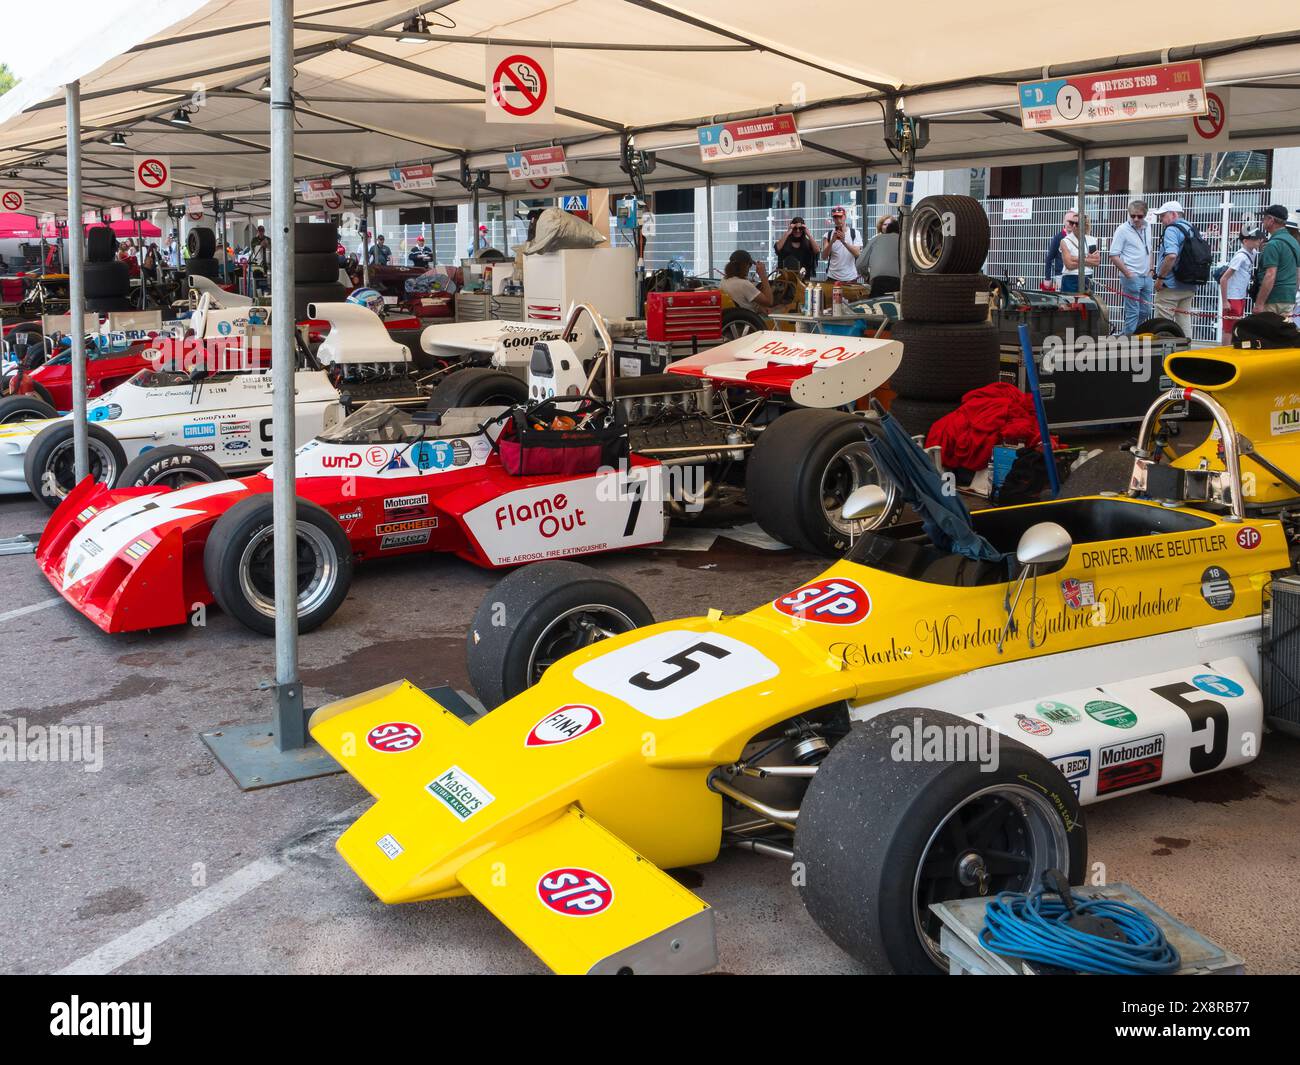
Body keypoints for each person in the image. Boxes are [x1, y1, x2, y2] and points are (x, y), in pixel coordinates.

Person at [1153, 200, 1197, 335]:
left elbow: (1171, 255)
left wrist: (1160, 278)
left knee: (1162, 323)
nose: (1161, 220)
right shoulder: (1192, 228)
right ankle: (1185, 352)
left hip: (1171, 285)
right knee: (1184, 320)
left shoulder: (1172, 229)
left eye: (1162, 216)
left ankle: (1162, 354)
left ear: (1173, 215)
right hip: (1190, 284)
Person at [1109, 200, 1154, 333]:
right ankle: (1128, 341)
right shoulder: (1122, 229)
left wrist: (1151, 269)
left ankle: (1128, 334)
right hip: (1131, 276)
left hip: (1146, 276)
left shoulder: (1148, 227)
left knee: (1146, 311)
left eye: (1139, 216)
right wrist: (1127, 273)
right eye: (1132, 215)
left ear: (1144, 215)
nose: (1135, 219)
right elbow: (1113, 254)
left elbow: (1149, 250)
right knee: (1133, 311)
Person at [1254, 204, 1300, 319]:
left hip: (1272, 299)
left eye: (1264, 218)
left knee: (1266, 334)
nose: (1262, 221)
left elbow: (1270, 274)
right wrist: (1292, 297)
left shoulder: (1273, 244)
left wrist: (1259, 303)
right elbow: (1298, 274)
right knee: (1283, 334)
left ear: (1271, 220)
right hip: (1288, 299)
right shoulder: (1294, 243)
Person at [1219, 228, 1263, 344]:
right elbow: (1224, 279)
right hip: (1233, 297)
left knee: (1236, 326)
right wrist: (1225, 301)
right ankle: (1225, 353)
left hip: (1240, 295)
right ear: (1245, 241)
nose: (1258, 241)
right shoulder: (1240, 257)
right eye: (1255, 239)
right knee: (1228, 329)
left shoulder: (1252, 253)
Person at [857, 216, 900, 296]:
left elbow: (859, 264)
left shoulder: (875, 239)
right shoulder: (904, 241)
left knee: (876, 307)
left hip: (878, 283)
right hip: (899, 284)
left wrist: (867, 277)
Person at [719, 249, 773, 314]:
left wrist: (760, 309)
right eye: (750, 264)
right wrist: (763, 275)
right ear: (745, 265)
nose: (749, 268)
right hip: (749, 321)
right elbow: (769, 302)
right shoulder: (744, 284)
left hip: (736, 318)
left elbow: (743, 303)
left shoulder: (724, 280)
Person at [821, 205, 862, 283]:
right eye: (835, 217)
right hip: (832, 277)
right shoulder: (828, 235)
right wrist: (832, 242)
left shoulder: (855, 233)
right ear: (833, 219)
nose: (838, 220)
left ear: (845, 216)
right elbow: (824, 256)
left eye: (840, 217)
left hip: (850, 277)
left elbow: (857, 254)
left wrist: (844, 241)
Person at [1060, 215, 1099, 294]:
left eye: (1077, 223)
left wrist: (1074, 258)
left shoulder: (1091, 240)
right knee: (1070, 305)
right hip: (1070, 278)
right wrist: (1087, 259)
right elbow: (1069, 265)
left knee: (1087, 305)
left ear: (1084, 225)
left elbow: (1096, 262)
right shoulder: (1065, 241)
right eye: (1071, 223)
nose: (1074, 226)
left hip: (1087, 277)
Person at [1043, 210, 1078, 289]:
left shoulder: (1079, 237)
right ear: (1063, 221)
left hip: (1075, 275)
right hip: (1061, 275)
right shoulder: (1058, 238)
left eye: (1071, 222)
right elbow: (1049, 258)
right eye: (1067, 221)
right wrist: (1047, 278)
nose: (1069, 224)